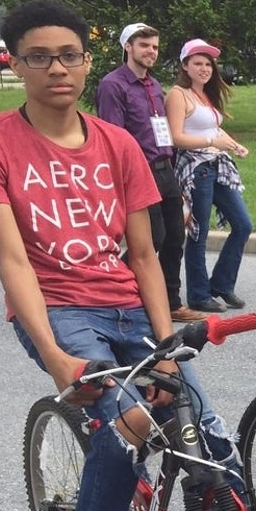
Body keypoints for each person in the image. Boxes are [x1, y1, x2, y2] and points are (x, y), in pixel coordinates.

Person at [0, 0, 243, 511]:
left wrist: (167, 344)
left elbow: (146, 256)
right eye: (39, 57)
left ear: (87, 60)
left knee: (208, 436)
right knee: (129, 427)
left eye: (68, 55)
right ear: (16, 64)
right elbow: (13, 261)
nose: (56, 68)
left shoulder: (118, 144)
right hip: (61, 312)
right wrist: (55, 357)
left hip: (129, 307)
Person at [95, 22, 206, 323]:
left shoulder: (154, 85)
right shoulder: (113, 85)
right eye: (144, 45)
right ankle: (114, 291)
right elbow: (113, 137)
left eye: (155, 46)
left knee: (174, 237)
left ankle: (170, 303)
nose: (151, 51)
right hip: (138, 171)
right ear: (127, 47)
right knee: (151, 238)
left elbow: (163, 131)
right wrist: (126, 177)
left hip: (164, 168)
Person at [165, 38, 253, 314]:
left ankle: (222, 284)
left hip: (218, 166)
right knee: (198, 232)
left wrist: (234, 145)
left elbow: (213, 127)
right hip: (195, 170)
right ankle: (199, 294)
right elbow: (175, 137)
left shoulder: (206, 95)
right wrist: (211, 141)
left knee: (243, 224)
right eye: (198, 63)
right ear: (185, 66)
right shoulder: (178, 95)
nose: (204, 69)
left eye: (208, 64)